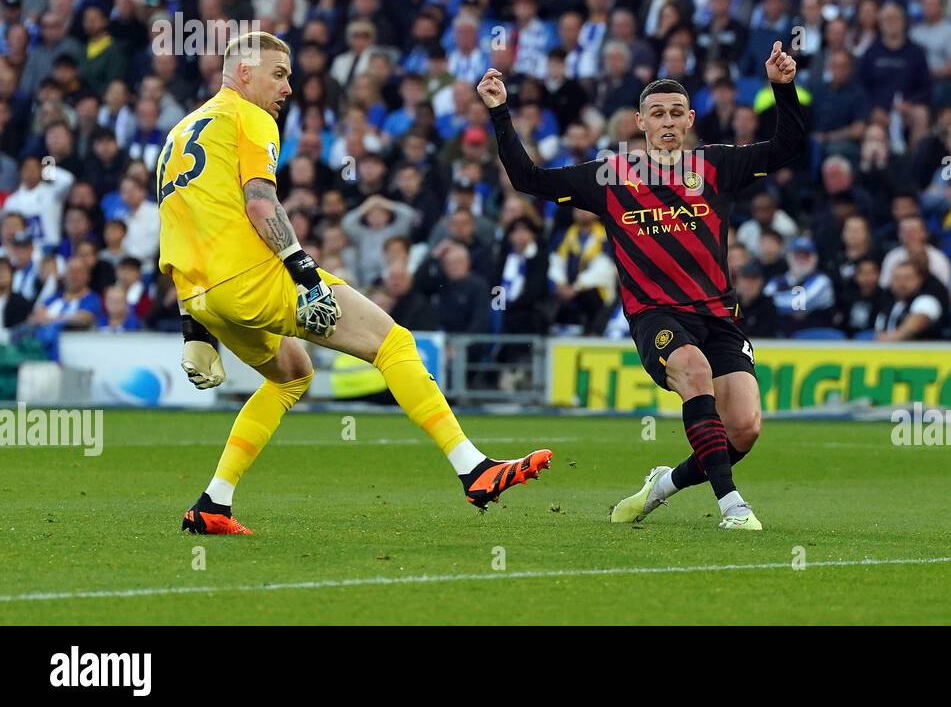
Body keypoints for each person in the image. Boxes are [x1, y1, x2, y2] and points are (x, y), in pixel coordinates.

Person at [160, 33, 551, 535]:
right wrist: (302, 270)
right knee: (393, 343)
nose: (288, 89)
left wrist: (193, 326)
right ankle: (474, 468)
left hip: (203, 295)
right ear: (242, 73)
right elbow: (260, 200)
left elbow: (182, 230)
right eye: (278, 75)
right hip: (255, 280)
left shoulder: (177, 135)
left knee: (292, 375)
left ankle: (214, 502)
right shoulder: (250, 117)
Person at [480, 40, 805, 531]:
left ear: (690, 120)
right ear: (641, 122)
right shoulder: (610, 177)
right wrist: (501, 112)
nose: (668, 121)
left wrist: (784, 89)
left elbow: (787, 150)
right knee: (693, 371)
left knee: (744, 428)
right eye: (658, 113)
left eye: (677, 112)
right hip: (657, 315)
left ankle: (664, 485)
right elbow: (529, 179)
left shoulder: (715, 166)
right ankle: (732, 505)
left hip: (719, 315)